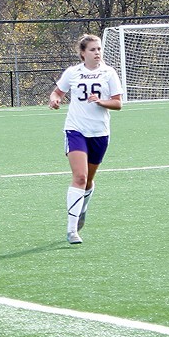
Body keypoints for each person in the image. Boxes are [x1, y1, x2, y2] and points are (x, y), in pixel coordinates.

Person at [49, 34, 123, 244]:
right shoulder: (73, 73)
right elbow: (57, 93)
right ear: (83, 53)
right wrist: (54, 101)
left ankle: (82, 207)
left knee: (88, 181)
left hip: (99, 133)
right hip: (76, 130)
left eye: (99, 49)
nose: (97, 53)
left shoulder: (109, 73)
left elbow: (118, 104)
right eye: (92, 49)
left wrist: (101, 102)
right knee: (79, 177)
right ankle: (72, 230)